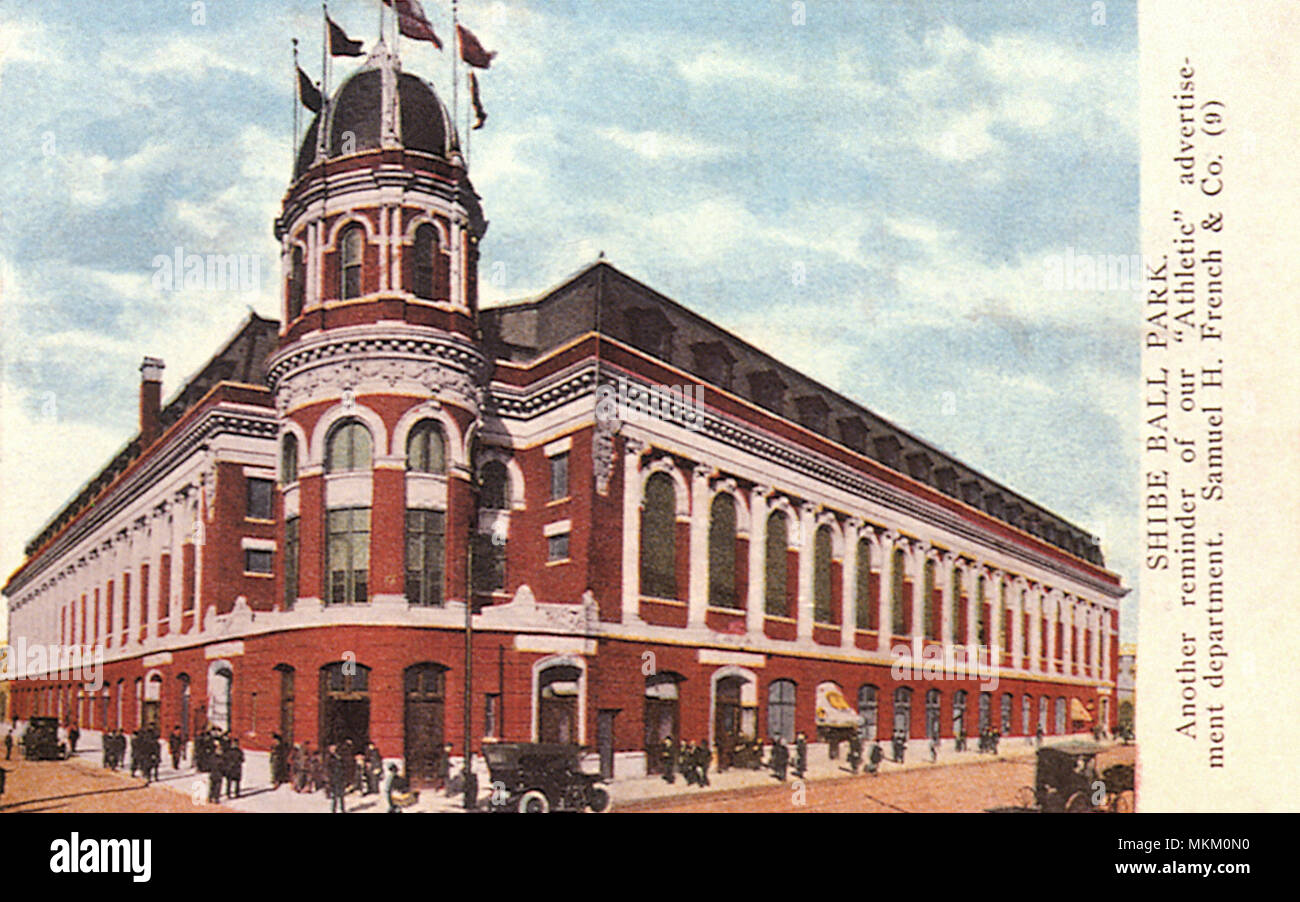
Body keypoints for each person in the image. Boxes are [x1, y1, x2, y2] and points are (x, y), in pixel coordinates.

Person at [327, 744, 347, 813]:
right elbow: (328, 768)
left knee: (341, 794)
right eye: (332, 748)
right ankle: (333, 809)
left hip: (340, 777)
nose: (333, 749)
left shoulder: (339, 756)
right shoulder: (330, 757)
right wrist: (330, 777)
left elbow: (343, 766)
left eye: (334, 748)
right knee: (334, 795)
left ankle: (342, 809)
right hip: (334, 778)